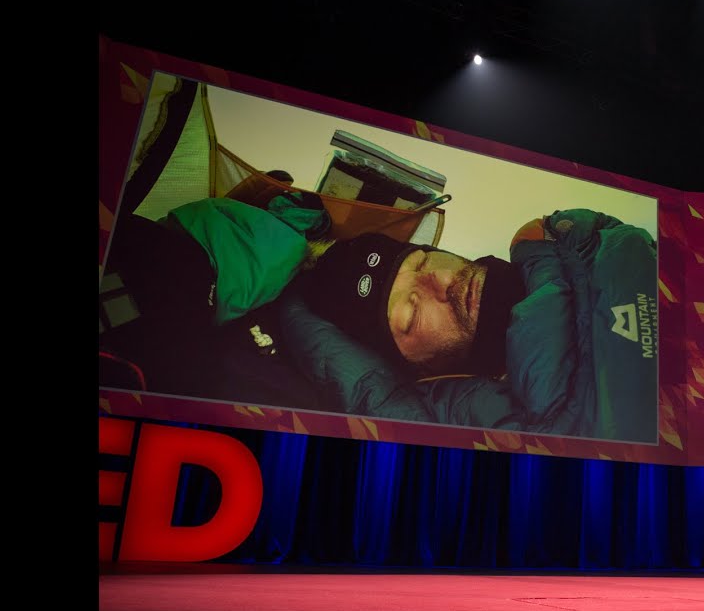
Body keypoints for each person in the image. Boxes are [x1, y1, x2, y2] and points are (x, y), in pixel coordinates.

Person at [278, 207, 658, 443]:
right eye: (411, 313)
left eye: (423, 262)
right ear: (413, 368)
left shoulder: (579, 244)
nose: (442, 282)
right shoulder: (496, 432)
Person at [99, 189, 332, 402]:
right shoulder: (297, 249)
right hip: (198, 279)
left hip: (155, 240)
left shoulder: (234, 205)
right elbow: (258, 292)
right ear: (314, 228)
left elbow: (186, 214)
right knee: (180, 371)